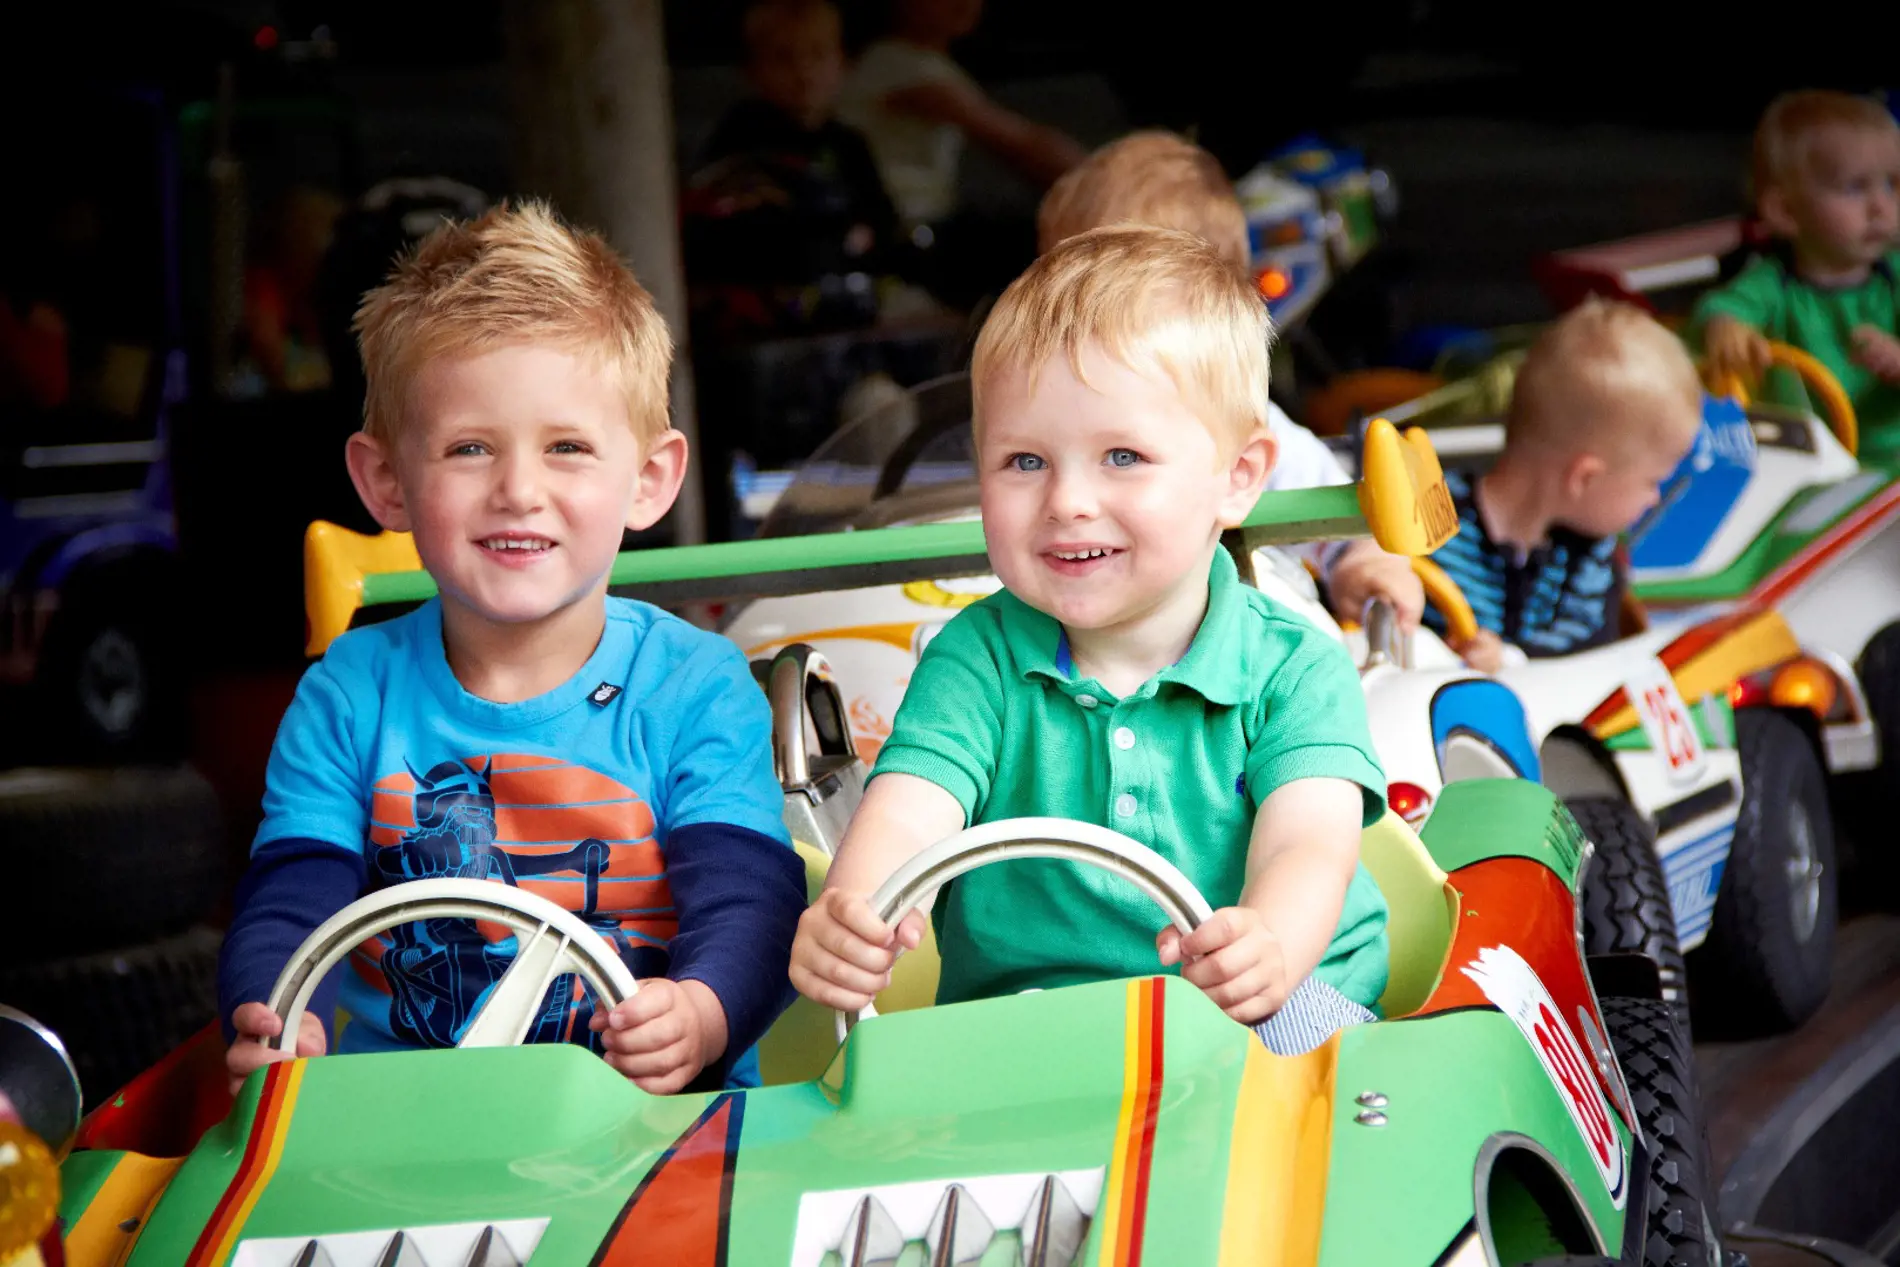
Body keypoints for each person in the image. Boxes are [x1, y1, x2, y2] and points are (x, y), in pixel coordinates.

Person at [217, 202, 807, 1096]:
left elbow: (750, 896)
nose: (518, 490)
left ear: (648, 480)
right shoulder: (348, 694)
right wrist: (273, 1008)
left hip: (655, 1127)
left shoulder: (696, 685)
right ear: (387, 482)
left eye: (567, 446)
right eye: (469, 448)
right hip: (409, 1124)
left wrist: (701, 1011)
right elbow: (294, 893)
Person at [789, 226, 1392, 1054]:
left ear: (1238, 476)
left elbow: (1308, 842)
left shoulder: (1293, 665)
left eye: (1122, 455)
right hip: (1032, 1014)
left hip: (1256, 1006)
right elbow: (908, 811)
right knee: (894, 1088)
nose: (1069, 500)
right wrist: (857, 909)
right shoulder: (978, 658)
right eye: (1025, 462)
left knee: (1320, 1066)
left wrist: (1270, 940)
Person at [1036, 129, 1425, 632]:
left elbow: (1344, 522)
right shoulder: (1031, 410)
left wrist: (1365, 565)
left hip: (1240, 664)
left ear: (1208, 310)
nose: (1072, 315)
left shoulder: (1240, 422)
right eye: (1051, 287)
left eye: (1110, 301)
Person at [1425, 298, 1703, 672]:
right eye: (1652, 482)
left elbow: (1585, 658)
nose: (1654, 499)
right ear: (1584, 478)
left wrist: (1508, 660)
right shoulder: (1430, 523)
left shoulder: (1590, 561)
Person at [838, 0, 1085, 309]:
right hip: (903, 235)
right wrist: (1106, 180)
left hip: (928, 227)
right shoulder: (893, 62)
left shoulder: (925, 62)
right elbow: (1022, 145)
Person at [1694, 90, 1900, 451]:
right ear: (1786, 211)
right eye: (1855, 187)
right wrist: (1725, 329)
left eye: (1892, 185)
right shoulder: (1774, 284)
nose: (1881, 207)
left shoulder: (1893, 276)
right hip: (1807, 462)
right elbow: (1721, 308)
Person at [682, 0, 899, 337]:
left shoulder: (848, 144)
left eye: (818, 55)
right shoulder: (740, 135)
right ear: (752, 70)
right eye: (783, 58)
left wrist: (861, 235)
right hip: (762, 306)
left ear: (843, 63)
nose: (803, 71)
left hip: (841, 297)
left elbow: (881, 217)